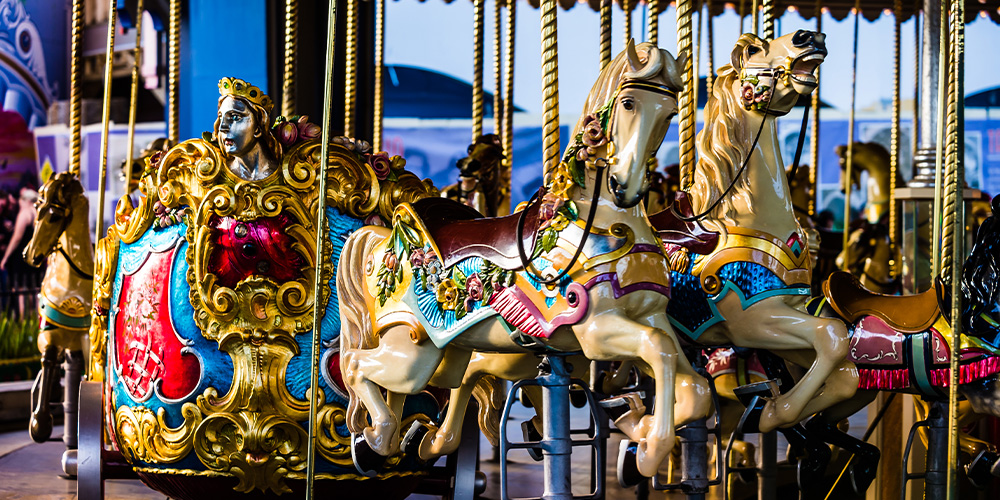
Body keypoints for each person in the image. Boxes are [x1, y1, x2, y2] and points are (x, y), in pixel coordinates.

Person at [212, 77, 281, 181]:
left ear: (258, 127)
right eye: (221, 118)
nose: (222, 128)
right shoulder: (215, 177)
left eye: (235, 117)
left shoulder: (285, 175)